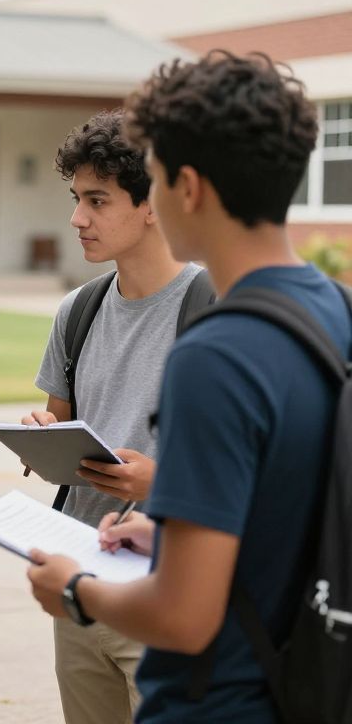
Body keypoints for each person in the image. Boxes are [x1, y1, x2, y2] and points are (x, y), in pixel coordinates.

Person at [26, 52, 346, 723]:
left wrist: (76, 589)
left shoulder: (215, 355)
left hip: (219, 699)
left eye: (158, 173)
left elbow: (183, 616)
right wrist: (173, 532)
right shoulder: (337, 309)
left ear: (188, 188)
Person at [22, 109, 203, 723]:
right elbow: (63, 432)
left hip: (169, 591)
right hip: (79, 586)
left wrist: (163, 484)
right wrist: (45, 441)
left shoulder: (217, 308)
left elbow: (268, 473)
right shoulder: (78, 310)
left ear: (151, 203)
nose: (77, 218)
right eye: (76, 199)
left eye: (97, 200)